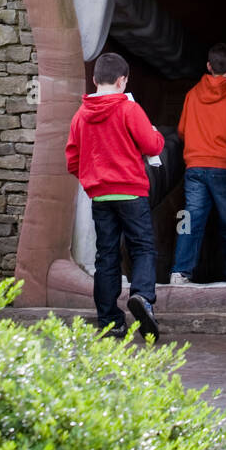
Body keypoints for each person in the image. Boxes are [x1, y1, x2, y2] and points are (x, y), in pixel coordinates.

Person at [65, 51, 164, 338]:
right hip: (131, 192)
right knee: (142, 247)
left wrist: (91, 180)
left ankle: (110, 320)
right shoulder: (129, 110)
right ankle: (142, 297)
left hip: (101, 196)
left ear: (94, 80)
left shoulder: (81, 115)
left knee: (106, 255)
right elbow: (152, 146)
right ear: (123, 81)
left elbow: (72, 159)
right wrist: (156, 134)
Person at [170, 42, 226, 285]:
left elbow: (182, 130)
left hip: (195, 168)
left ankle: (180, 271)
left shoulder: (192, 94)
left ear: (208, 66)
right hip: (224, 168)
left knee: (189, 219)